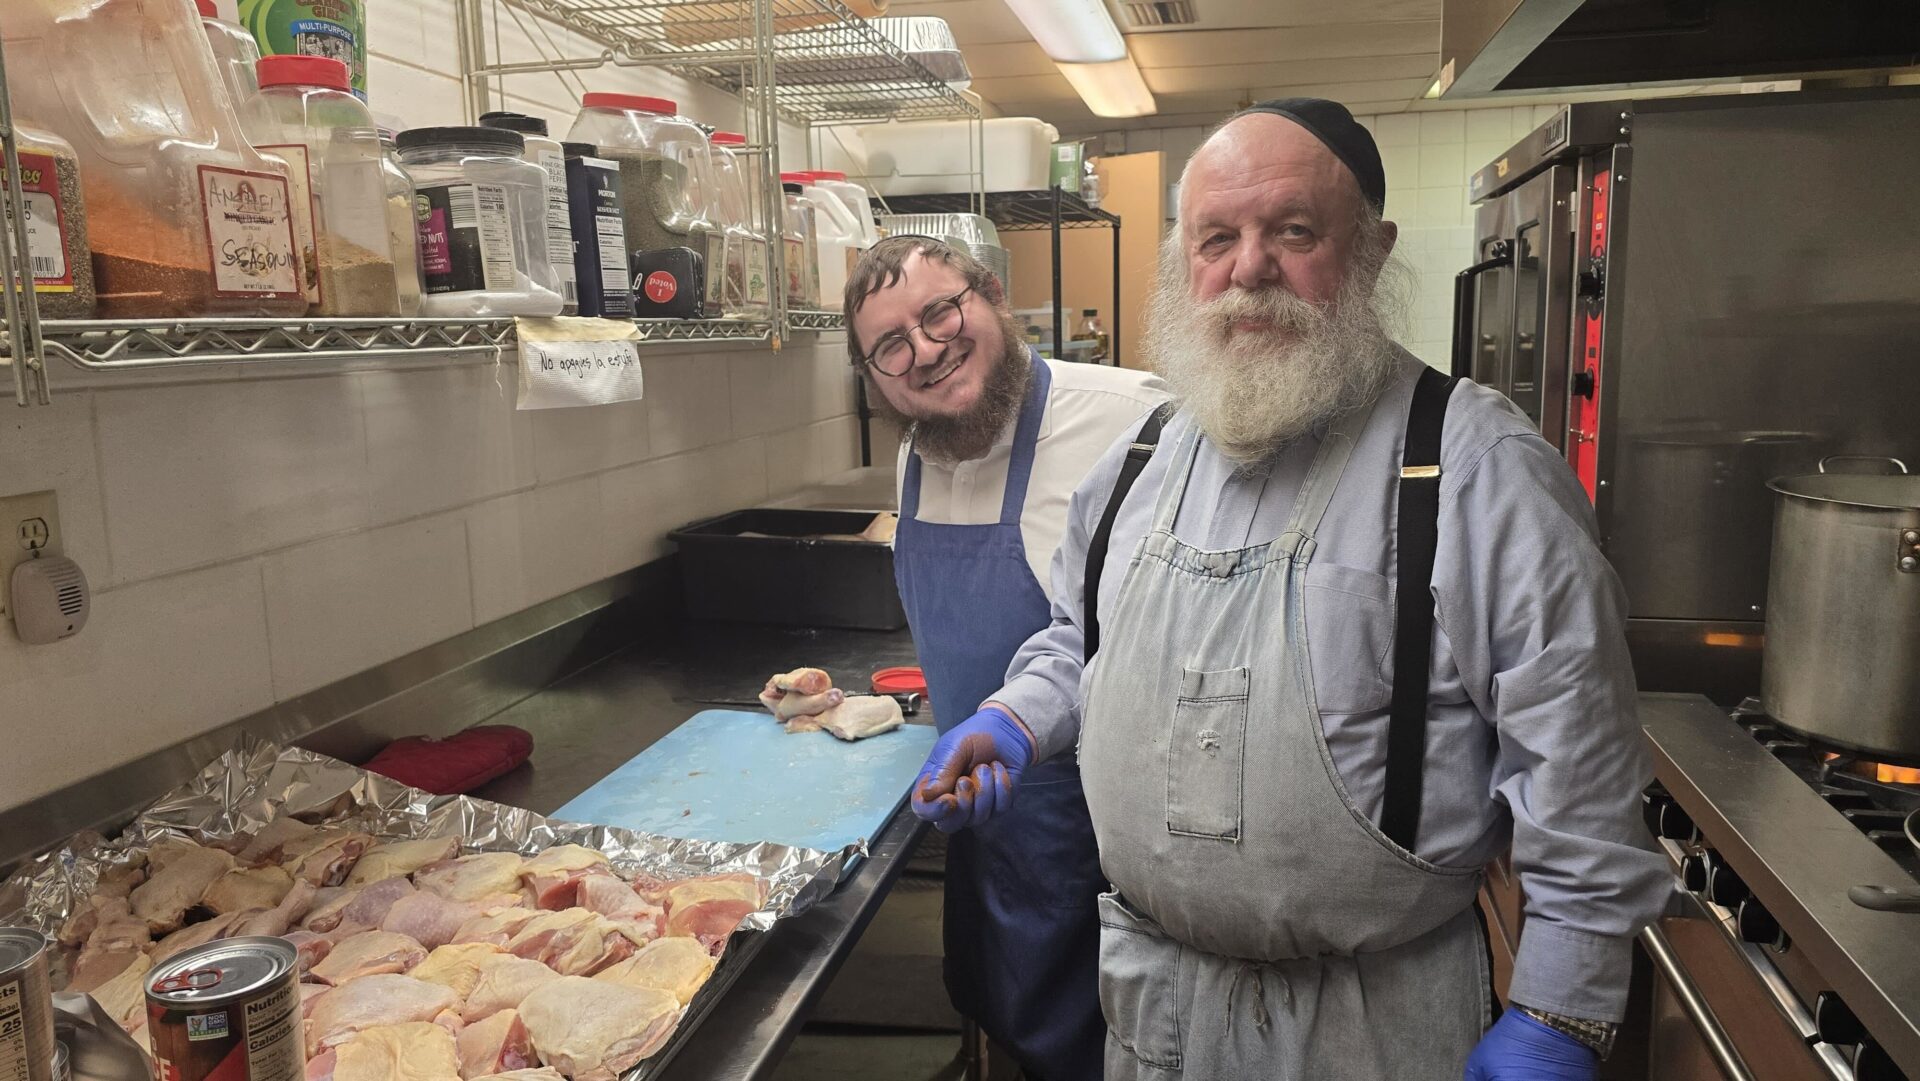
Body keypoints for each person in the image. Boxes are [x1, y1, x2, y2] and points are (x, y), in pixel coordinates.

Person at [907, 99, 1672, 1080]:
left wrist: (1561, 1015)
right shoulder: (1140, 463)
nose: (1250, 267)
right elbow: (1080, 639)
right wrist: (1016, 717)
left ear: (1371, 249)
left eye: (1294, 231)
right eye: (1217, 237)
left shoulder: (1477, 471)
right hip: (1154, 1012)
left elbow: (1583, 773)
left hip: (1374, 1027)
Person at [846, 235, 1167, 1081]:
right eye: (890, 346)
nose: (925, 350)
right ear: (874, 377)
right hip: (982, 826)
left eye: (940, 310)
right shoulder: (922, 445)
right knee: (1007, 1030)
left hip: (1112, 851)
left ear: (992, 295)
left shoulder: (1134, 418)